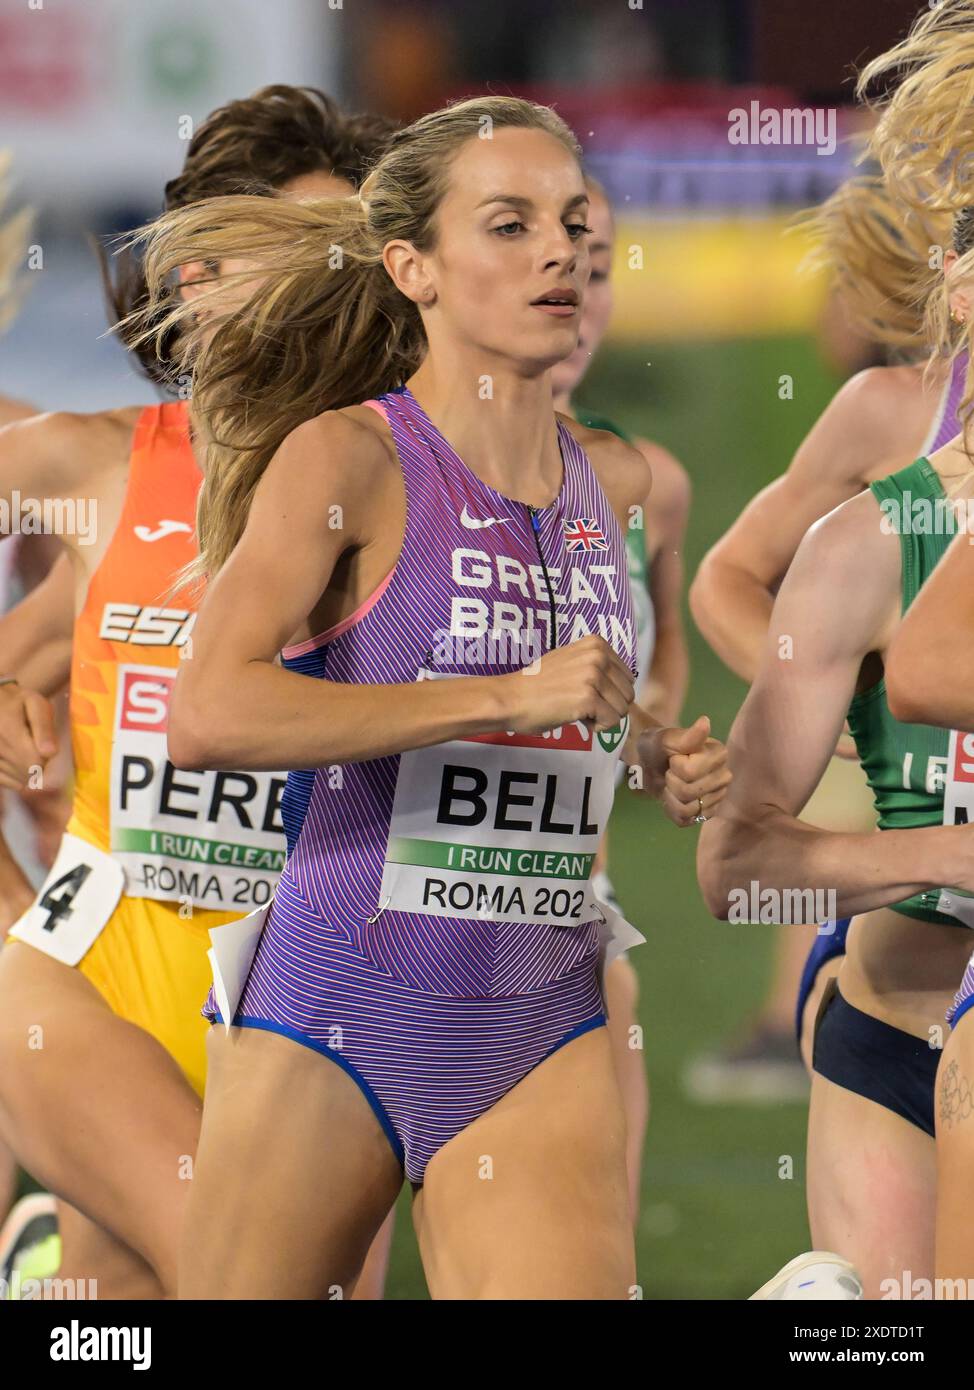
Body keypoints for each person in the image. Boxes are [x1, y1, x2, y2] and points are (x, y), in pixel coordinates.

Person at [133, 93, 731, 1298]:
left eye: (569, 221)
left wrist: (650, 751)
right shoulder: (346, 457)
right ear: (412, 266)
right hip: (331, 1009)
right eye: (507, 225)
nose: (557, 250)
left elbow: (568, 706)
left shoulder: (611, 480)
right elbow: (208, 716)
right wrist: (495, 695)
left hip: (538, 1015)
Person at [0, 86, 397, 1300]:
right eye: (297, 257)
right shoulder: (95, 463)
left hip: (304, 1006)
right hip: (91, 974)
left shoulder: (390, 494)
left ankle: (38, 1282)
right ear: (196, 273)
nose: (332, 294)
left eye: (352, 261)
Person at [687, 171, 963, 1093]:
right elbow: (726, 577)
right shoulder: (893, 410)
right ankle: (786, 1023)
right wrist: (835, 699)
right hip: (904, 770)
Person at [549, 173, 690, 1217]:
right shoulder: (368, 454)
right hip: (373, 918)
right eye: (545, 254)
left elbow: (655, 679)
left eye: (597, 268)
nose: (576, 293)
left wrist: (663, 755)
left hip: (573, 920)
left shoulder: (649, 483)